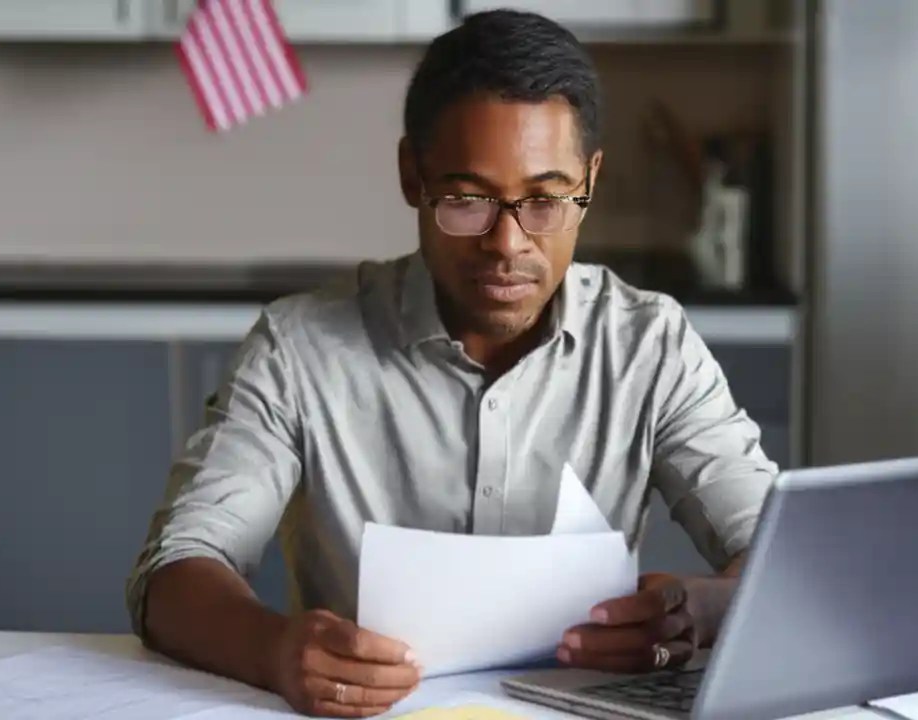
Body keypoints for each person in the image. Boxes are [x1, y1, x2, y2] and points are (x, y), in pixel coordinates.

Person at [128, 9, 776, 718]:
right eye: (467, 200)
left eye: (546, 200)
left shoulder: (650, 345)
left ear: (589, 181)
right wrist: (275, 649)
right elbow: (173, 575)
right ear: (413, 174)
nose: (506, 243)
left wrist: (701, 611)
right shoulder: (300, 347)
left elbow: (784, 559)